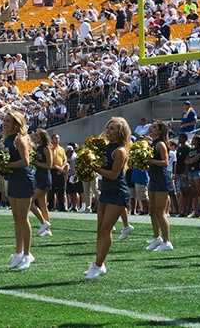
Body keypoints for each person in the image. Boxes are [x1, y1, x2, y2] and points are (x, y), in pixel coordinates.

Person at [85, 117, 131, 280]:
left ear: (120, 132)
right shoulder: (105, 147)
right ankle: (99, 263)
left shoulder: (120, 151)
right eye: (108, 128)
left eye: (112, 129)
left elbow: (113, 175)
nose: (108, 131)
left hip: (117, 192)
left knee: (106, 229)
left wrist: (95, 167)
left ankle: (97, 265)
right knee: (100, 229)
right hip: (106, 191)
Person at [3, 111, 36, 271]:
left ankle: (27, 254)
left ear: (17, 124)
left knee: (23, 218)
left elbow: (25, 161)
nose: (5, 123)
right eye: (5, 120)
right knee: (16, 217)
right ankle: (18, 252)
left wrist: (6, 165)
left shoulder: (20, 139)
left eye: (8, 121)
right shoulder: (7, 139)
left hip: (24, 180)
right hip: (13, 179)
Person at [146, 121, 174, 252]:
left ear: (161, 131)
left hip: (161, 179)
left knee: (160, 211)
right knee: (152, 211)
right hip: (153, 178)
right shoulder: (152, 143)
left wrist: (150, 161)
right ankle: (157, 237)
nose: (152, 128)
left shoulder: (161, 144)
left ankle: (167, 241)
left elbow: (165, 162)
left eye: (155, 127)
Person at [30, 128, 53, 237]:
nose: (36, 138)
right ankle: (47, 229)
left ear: (42, 137)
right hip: (38, 177)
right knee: (43, 205)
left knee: (29, 202)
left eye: (38, 136)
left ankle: (44, 223)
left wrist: (36, 163)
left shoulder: (46, 148)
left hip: (44, 178)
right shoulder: (38, 148)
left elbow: (49, 165)